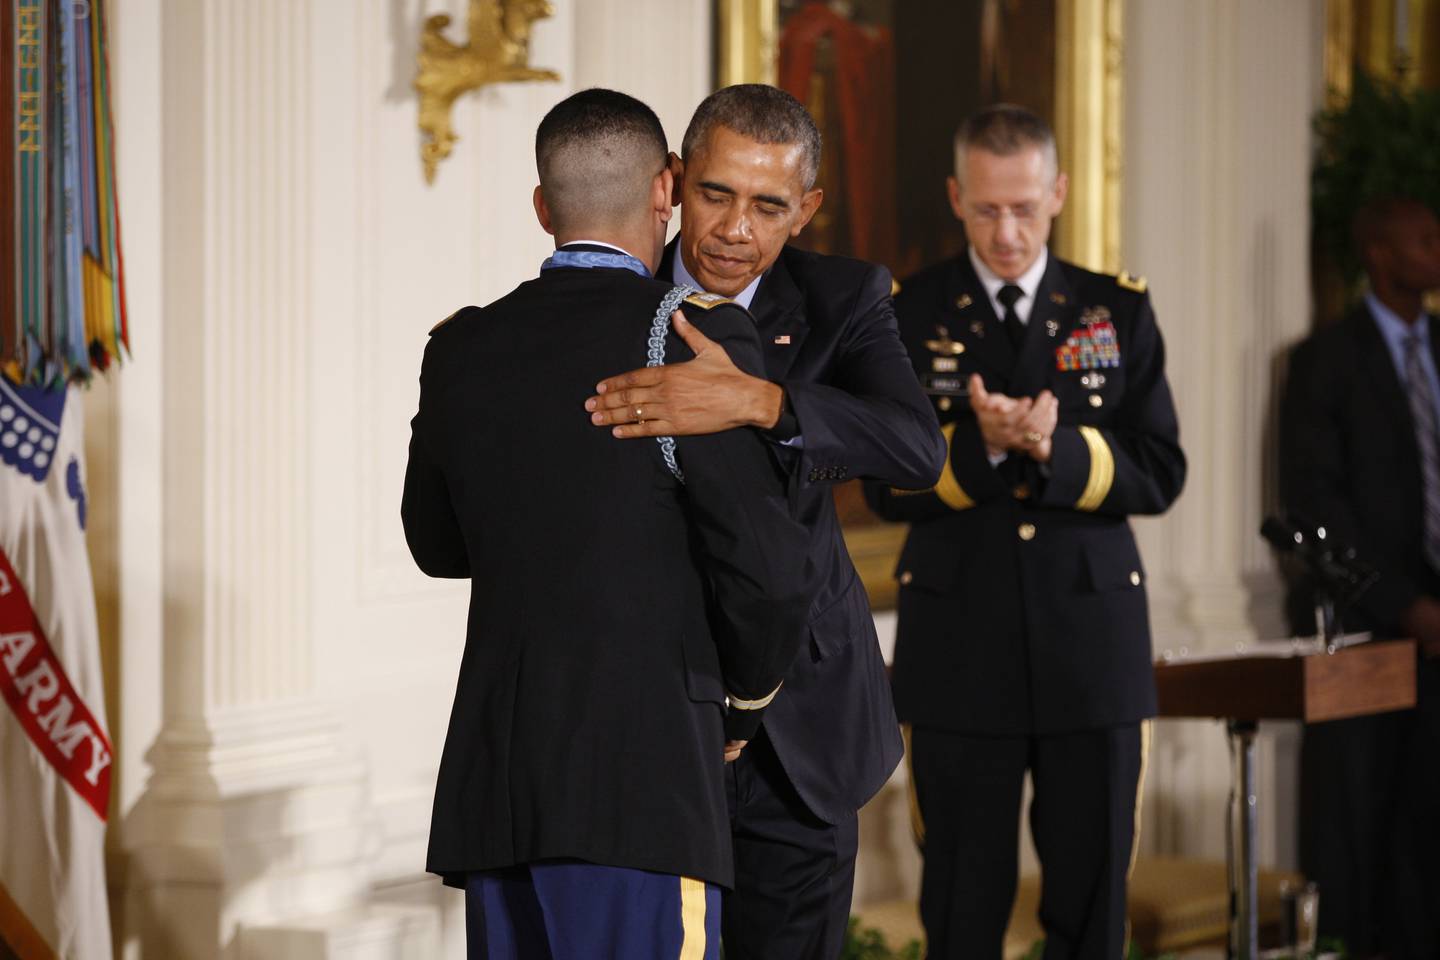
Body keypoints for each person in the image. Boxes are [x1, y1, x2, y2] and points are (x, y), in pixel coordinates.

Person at [401, 88, 813, 960]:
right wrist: (739, 708)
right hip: (645, 789)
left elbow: (436, 547)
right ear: (667, 189)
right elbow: (771, 575)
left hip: (499, 793)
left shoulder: (462, 345)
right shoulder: (695, 338)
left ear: (544, 208)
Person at [583, 84, 946, 958]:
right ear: (673, 182)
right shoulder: (602, 302)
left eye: (768, 205)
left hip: (803, 736)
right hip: (649, 724)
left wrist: (760, 400)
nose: (735, 228)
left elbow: (915, 449)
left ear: (805, 210)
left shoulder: (842, 298)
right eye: (716, 194)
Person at [863, 104, 1185, 959]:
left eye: (1026, 209)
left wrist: (1056, 449)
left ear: (1059, 194)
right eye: (986, 210)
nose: (1007, 233)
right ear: (955, 198)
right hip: (960, 649)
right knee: (963, 910)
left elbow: (1161, 470)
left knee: (1089, 908)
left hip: (1092, 650)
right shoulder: (907, 311)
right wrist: (980, 450)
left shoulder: (1113, 312)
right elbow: (884, 486)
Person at [1280, 195, 1440, 959]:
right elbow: (1314, 500)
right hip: (1370, 629)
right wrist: (1405, 605)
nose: (1436, 246)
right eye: (1423, 237)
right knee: (1360, 832)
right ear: (1378, 252)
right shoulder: (1325, 361)